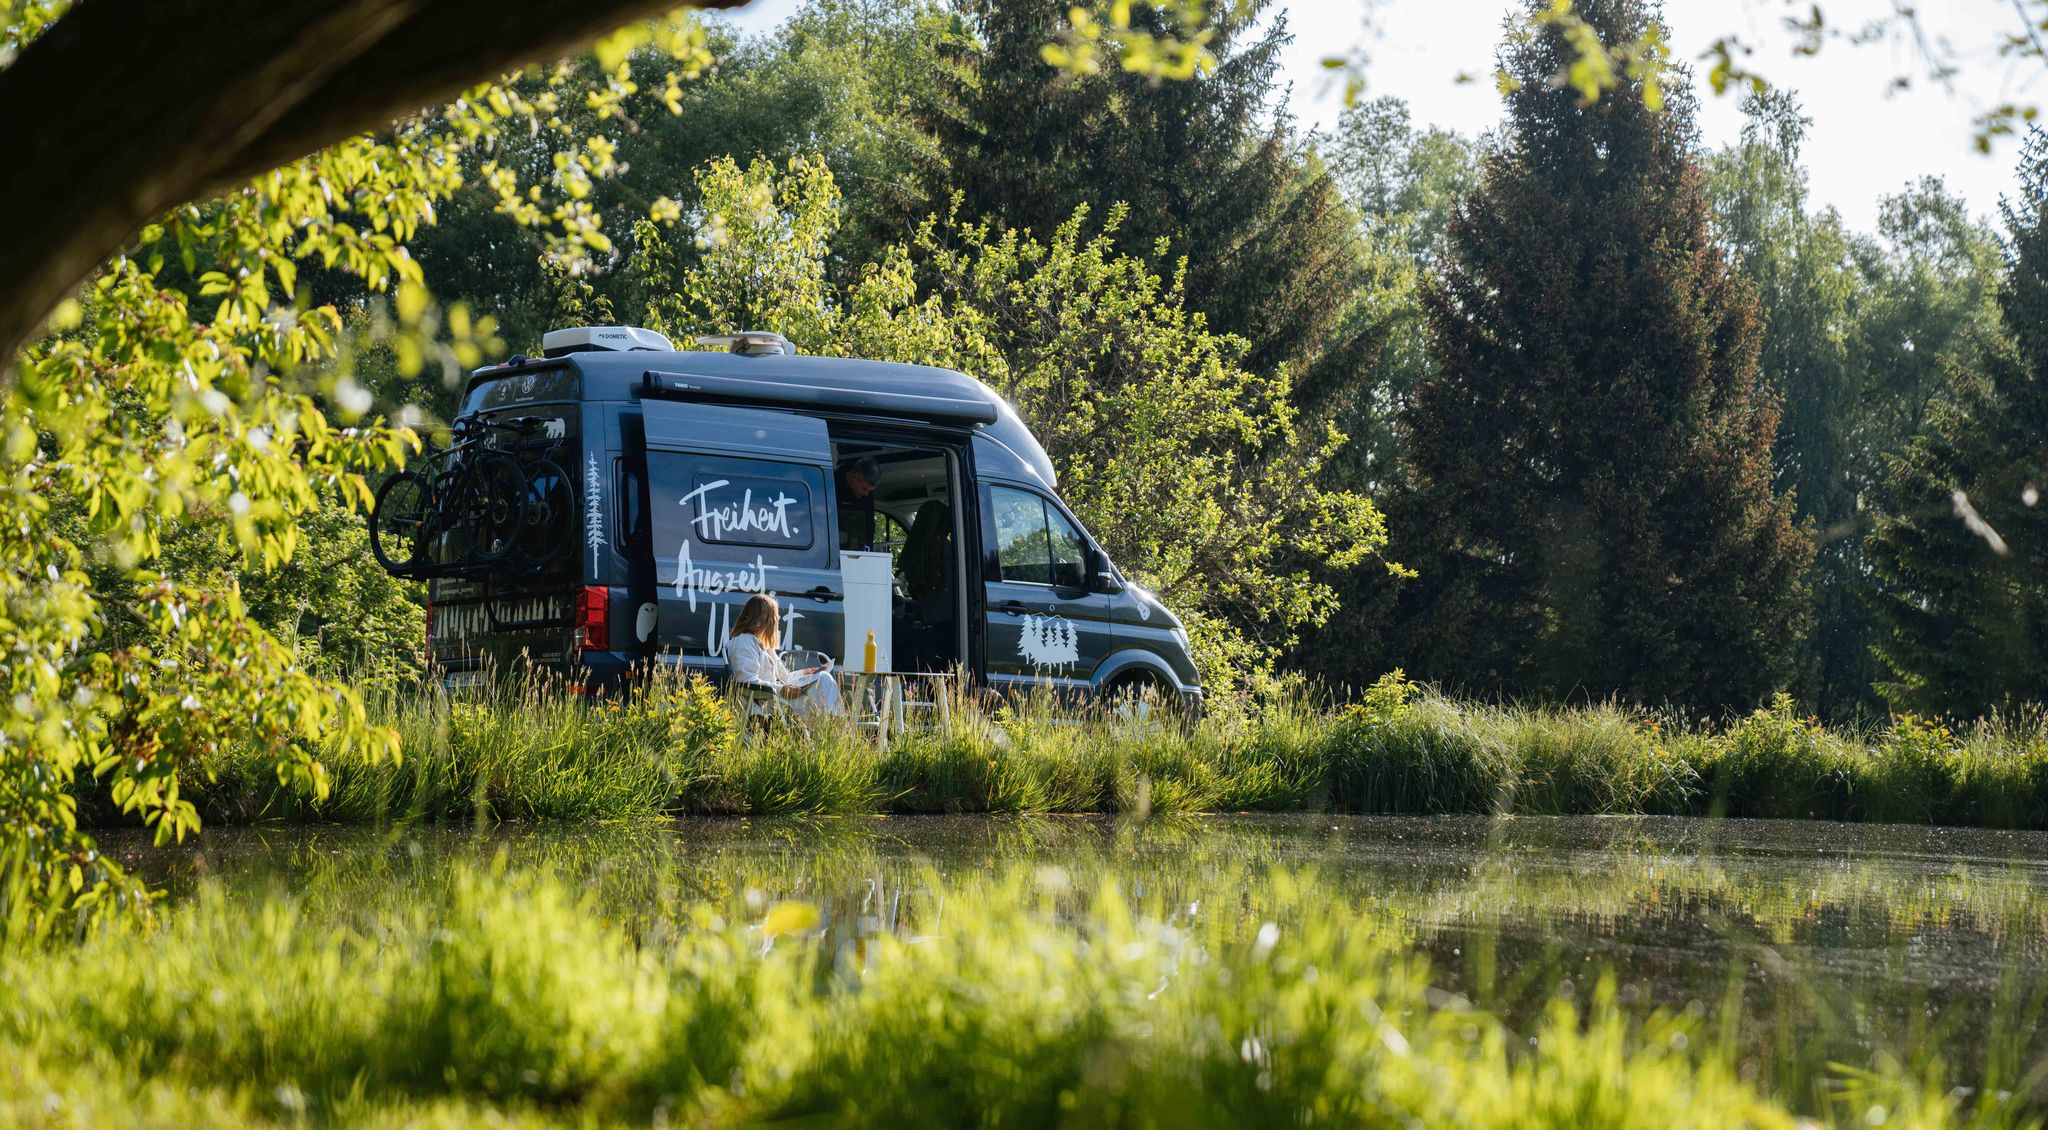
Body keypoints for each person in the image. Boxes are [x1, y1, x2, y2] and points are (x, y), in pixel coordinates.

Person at [723, 593, 843, 715]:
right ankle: (836, 726)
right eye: (775, 616)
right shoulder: (745, 641)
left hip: (778, 701)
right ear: (764, 619)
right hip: (768, 705)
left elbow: (784, 677)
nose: (777, 620)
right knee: (823, 683)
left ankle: (834, 724)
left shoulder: (765, 646)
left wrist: (808, 674)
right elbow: (746, 681)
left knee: (822, 677)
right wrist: (781, 690)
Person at [836, 455, 881, 550]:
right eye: (864, 488)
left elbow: (869, 525)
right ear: (854, 477)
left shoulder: (867, 494)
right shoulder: (832, 484)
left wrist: (868, 551)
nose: (866, 494)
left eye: (870, 491)